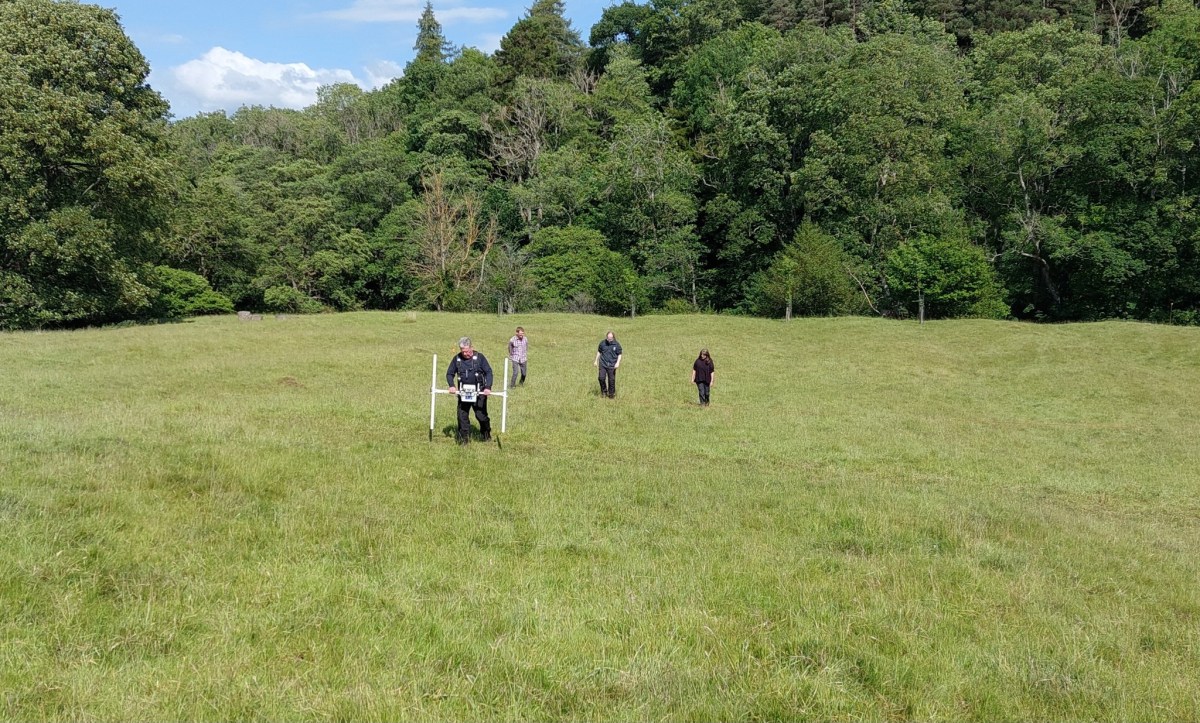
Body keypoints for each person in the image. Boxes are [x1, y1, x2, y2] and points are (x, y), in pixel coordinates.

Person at [445, 337, 493, 444]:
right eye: (463, 352)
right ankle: (464, 439)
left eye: (467, 351)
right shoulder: (457, 359)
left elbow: (488, 372)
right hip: (464, 393)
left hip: (479, 393)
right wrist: (451, 385)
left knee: (481, 416)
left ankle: (486, 434)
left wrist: (488, 387)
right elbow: (449, 374)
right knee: (462, 416)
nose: (466, 354)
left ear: (472, 347)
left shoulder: (480, 358)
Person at [594, 330, 622, 399]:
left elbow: (619, 354)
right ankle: (604, 392)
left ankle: (611, 394)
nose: (609, 340)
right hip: (603, 363)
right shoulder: (602, 343)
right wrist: (596, 361)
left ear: (613, 337)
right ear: (606, 337)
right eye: (608, 338)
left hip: (612, 364)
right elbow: (599, 352)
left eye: (611, 338)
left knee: (611, 380)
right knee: (601, 378)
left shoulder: (616, 344)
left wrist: (618, 363)